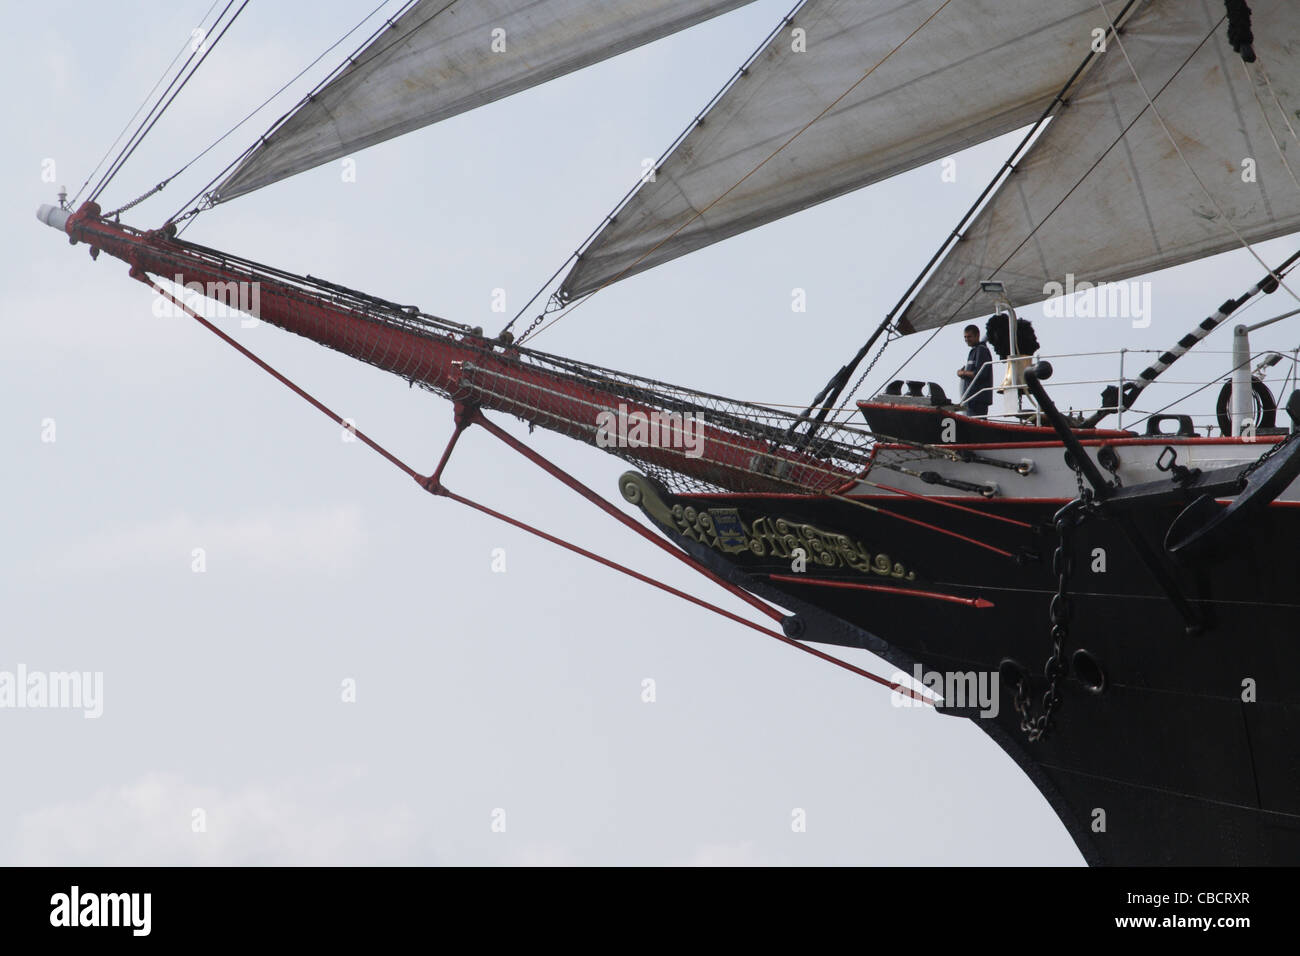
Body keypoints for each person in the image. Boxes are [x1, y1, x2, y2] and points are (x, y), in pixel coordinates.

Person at [957, 324, 993, 416]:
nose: (966, 339)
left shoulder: (981, 350)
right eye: (965, 337)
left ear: (977, 336)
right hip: (971, 398)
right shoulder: (975, 350)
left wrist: (963, 373)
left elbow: (980, 374)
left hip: (977, 399)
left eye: (969, 336)